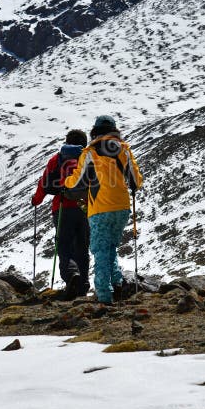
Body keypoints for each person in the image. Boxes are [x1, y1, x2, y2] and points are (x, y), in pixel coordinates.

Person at [63, 116, 142, 304]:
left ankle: (105, 296)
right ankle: (117, 285)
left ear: (95, 131)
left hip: (99, 207)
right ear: (114, 130)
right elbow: (136, 181)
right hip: (122, 207)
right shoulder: (124, 149)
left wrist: (66, 182)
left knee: (100, 250)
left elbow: (77, 180)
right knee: (111, 248)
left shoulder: (90, 152)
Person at [31, 129, 90, 299]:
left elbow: (44, 183)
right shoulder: (87, 157)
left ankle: (72, 275)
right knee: (82, 247)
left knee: (64, 246)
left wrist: (37, 199)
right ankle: (83, 284)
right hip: (85, 208)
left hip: (62, 207)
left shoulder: (57, 159)